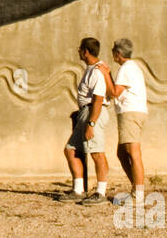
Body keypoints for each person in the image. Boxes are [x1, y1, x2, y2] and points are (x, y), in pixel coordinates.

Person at [57, 37, 111, 202]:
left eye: (80, 49)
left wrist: (91, 123)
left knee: (96, 152)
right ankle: (78, 190)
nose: (78, 52)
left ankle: (100, 193)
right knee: (71, 150)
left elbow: (98, 100)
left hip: (93, 113)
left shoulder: (96, 72)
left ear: (86, 52)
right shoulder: (91, 69)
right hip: (85, 113)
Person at [97, 38, 148, 205]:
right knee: (122, 153)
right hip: (132, 112)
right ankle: (136, 188)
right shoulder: (130, 68)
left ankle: (138, 194)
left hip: (130, 113)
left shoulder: (126, 69)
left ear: (118, 54)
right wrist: (109, 74)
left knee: (133, 153)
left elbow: (113, 92)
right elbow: (117, 88)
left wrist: (104, 73)